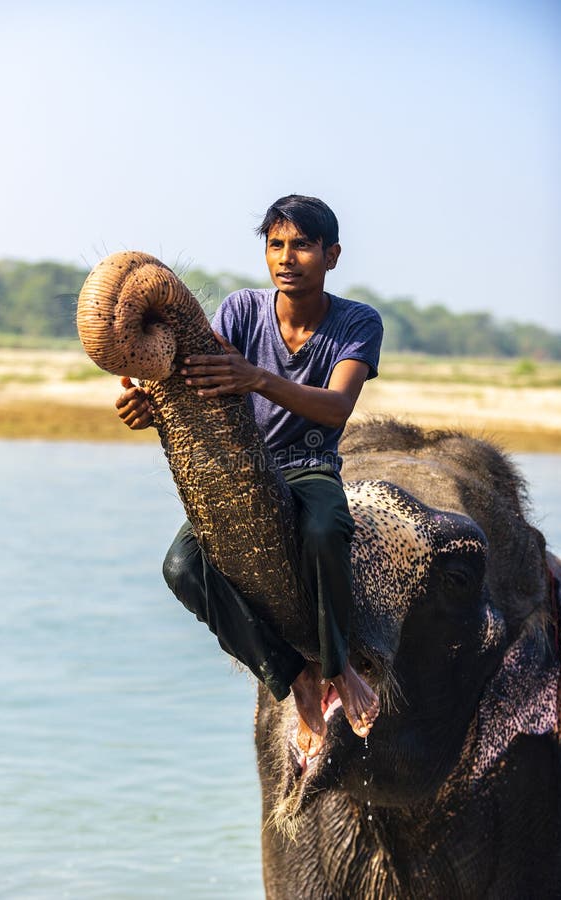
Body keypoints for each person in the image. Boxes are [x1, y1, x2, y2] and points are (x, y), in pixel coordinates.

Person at [116, 195, 383, 760]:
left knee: (325, 529)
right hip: (241, 469)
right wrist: (150, 403)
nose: (287, 258)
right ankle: (294, 677)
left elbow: (336, 409)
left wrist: (257, 378)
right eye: (276, 244)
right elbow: (193, 375)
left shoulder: (358, 321)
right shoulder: (241, 310)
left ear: (331, 256)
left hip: (309, 466)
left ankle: (339, 667)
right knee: (181, 566)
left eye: (303, 245)